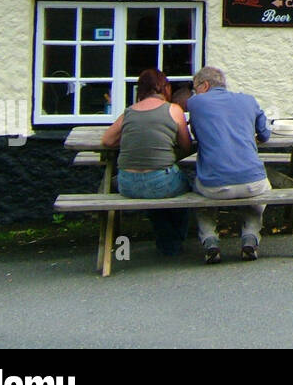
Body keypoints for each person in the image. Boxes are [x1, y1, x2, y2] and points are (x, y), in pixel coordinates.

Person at [100, 68, 193, 257]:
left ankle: (167, 241)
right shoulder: (174, 110)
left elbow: (107, 141)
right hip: (162, 181)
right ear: (164, 87)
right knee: (186, 187)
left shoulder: (129, 112)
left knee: (148, 192)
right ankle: (173, 242)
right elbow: (186, 145)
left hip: (127, 184)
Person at [186, 65, 272, 263]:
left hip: (215, 187)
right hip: (253, 183)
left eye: (195, 87)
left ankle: (210, 239)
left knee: (197, 190)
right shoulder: (248, 100)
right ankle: (250, 236)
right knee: (262, 190)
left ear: (204, 85)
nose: (194, 92)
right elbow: (265, 134)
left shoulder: (195, 103)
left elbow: (196, 135)